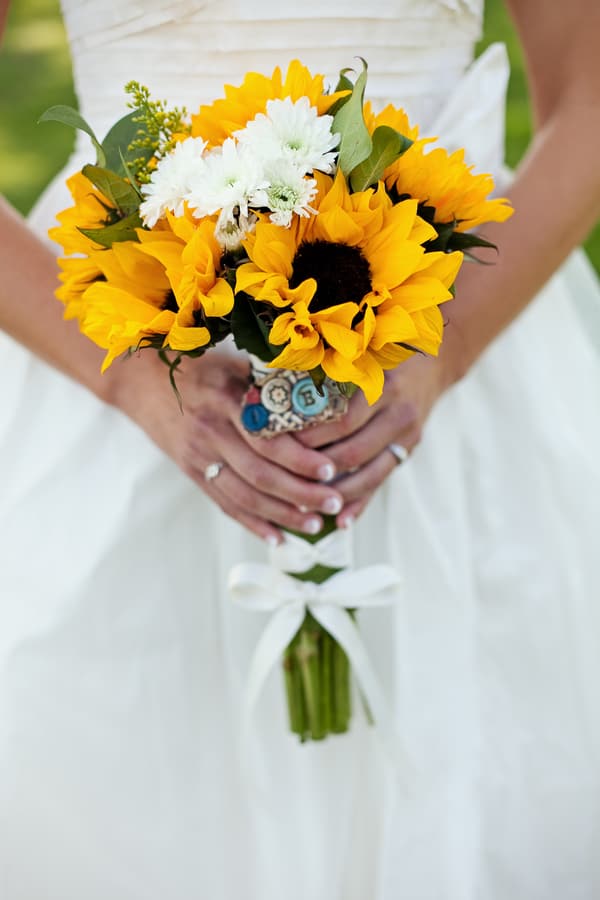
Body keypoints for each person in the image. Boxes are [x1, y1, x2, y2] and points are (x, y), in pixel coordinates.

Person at [1, 0, 599, 897]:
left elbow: (591, 90)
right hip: (127, 333)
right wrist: (127, 377)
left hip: (449, 329)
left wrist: (449, 349)